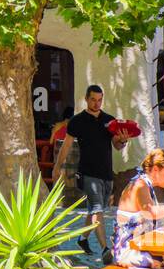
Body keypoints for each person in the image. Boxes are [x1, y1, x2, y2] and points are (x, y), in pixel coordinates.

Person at [52, 85, 130, 258]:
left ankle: (83, 238)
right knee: (97, 209)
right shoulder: (77, 121)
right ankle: (105, 250)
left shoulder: (110, 121)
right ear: (86, 99)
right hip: (87, 173)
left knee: (97, 209)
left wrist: (123, 141)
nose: (96, 103)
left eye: (99, 99)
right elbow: (66, 145)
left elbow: (117, 146)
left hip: (106, 173)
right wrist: (57, 167)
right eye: (93, 99)